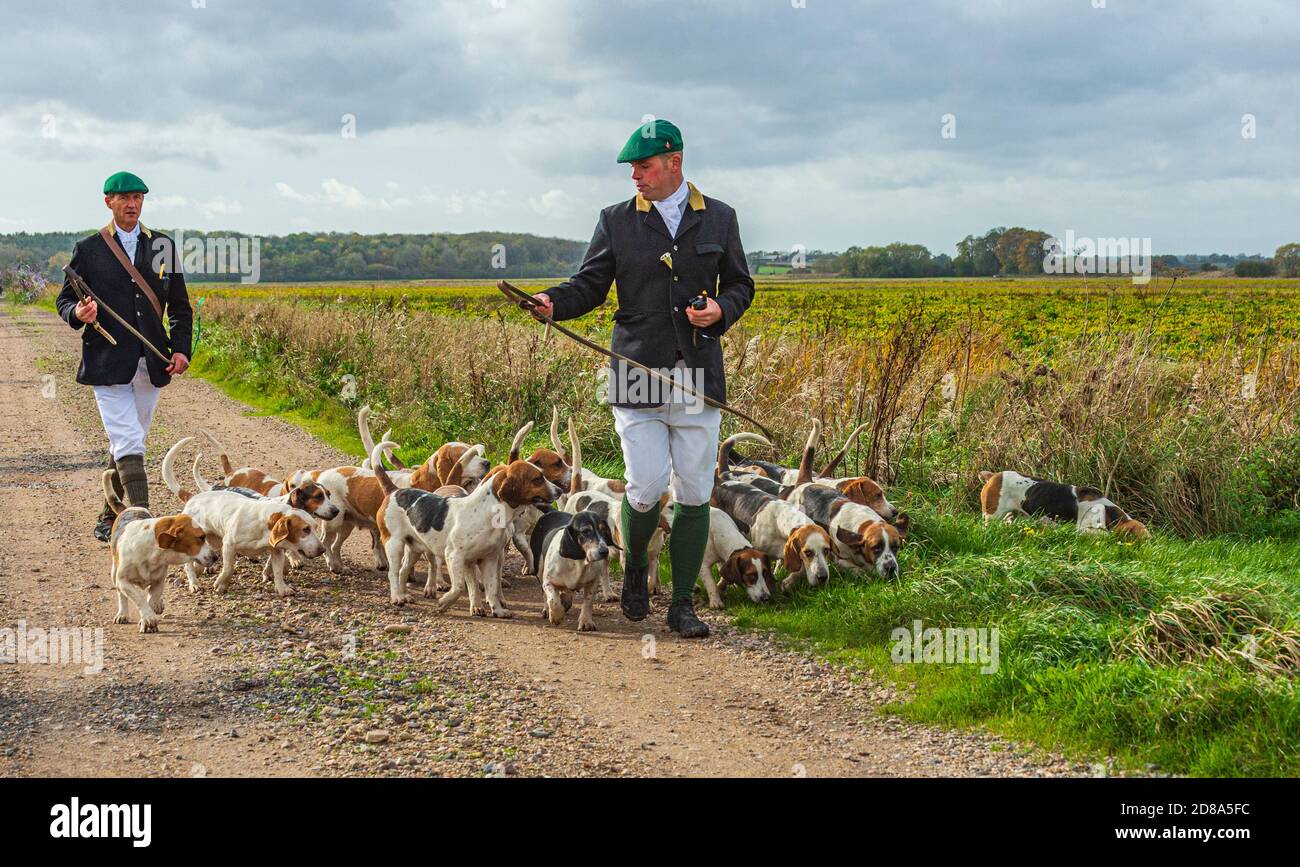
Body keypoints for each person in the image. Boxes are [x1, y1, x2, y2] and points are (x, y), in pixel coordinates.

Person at [531, 120, 755, 638]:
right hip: (637, 374)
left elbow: (742, 283)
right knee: (647, 485)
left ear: (674, 162)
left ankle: (681, 604)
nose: (635, 175)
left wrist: (720, 309)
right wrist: (552, 302)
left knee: (696, 491)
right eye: (631, 167)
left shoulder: (720, 218)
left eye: (644, 166)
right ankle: (634, 569)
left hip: (699, 375)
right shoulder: (616, 221)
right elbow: (588, 284)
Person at [55, 171, 193, 542]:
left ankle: (108, 517)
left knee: (128, 441)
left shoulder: (163, 245)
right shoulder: (89, 249)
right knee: (129, 440)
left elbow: (180, 306)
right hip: (107, 360)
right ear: (109, 202)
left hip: (152, 360)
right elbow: (64, 299)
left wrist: (181, 348)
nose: (132, 204)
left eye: (138, 197)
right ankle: (144, 527)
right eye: (125, 198)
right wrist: (78, 314)